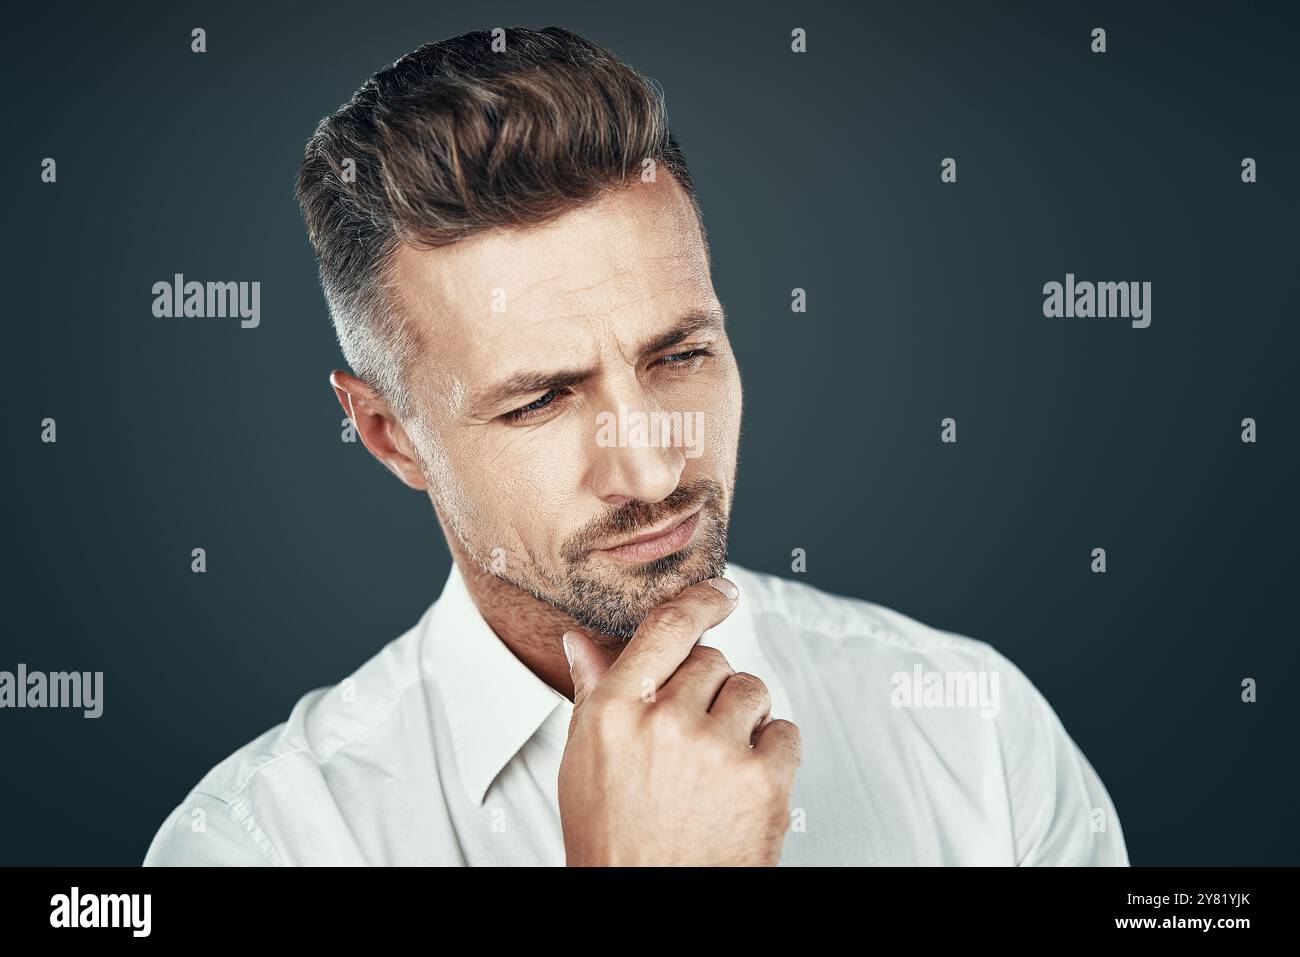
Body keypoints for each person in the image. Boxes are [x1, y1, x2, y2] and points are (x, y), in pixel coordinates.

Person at [144, 26, 1128, 866]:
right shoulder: (262, 843)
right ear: (389, 434)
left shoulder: (974, 728)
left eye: (681, 353)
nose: (655, 470)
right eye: (539, 402)